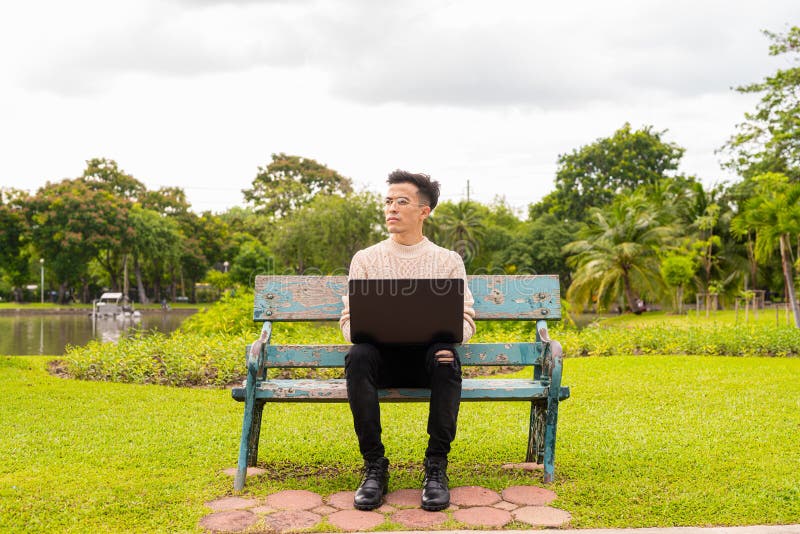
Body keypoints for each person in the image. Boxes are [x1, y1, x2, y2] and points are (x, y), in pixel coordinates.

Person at [339, 170, 476, 511]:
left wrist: (446, 329)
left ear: (424, 211)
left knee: (446, 356)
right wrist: (363, 329)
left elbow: (467, 321)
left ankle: (435, 468)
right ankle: (374, 467)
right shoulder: (365, 259)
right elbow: (347, 321)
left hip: (429, 364)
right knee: (358, 355)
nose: (392, 209)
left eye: (402, 202)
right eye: (388, 202)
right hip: (381, 364)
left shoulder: (448, 261)